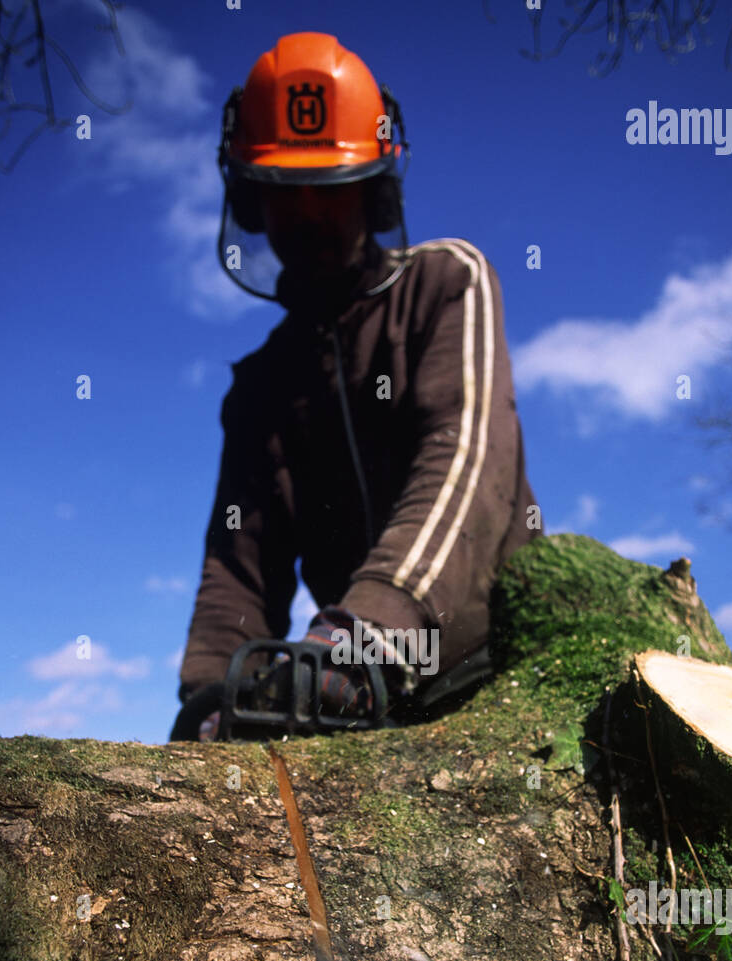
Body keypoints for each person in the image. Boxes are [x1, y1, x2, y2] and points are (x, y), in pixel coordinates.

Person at [175, 31, 541, 741]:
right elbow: (238, 569)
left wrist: (369, 631)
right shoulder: (260, 389)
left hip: (491, 665)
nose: (310, 215)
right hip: (348, 695)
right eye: (288, 195)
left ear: (374, 191)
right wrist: (208, 703)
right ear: (252, 203)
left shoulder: (446, 282)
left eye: (331, 192)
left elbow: (464, 460)